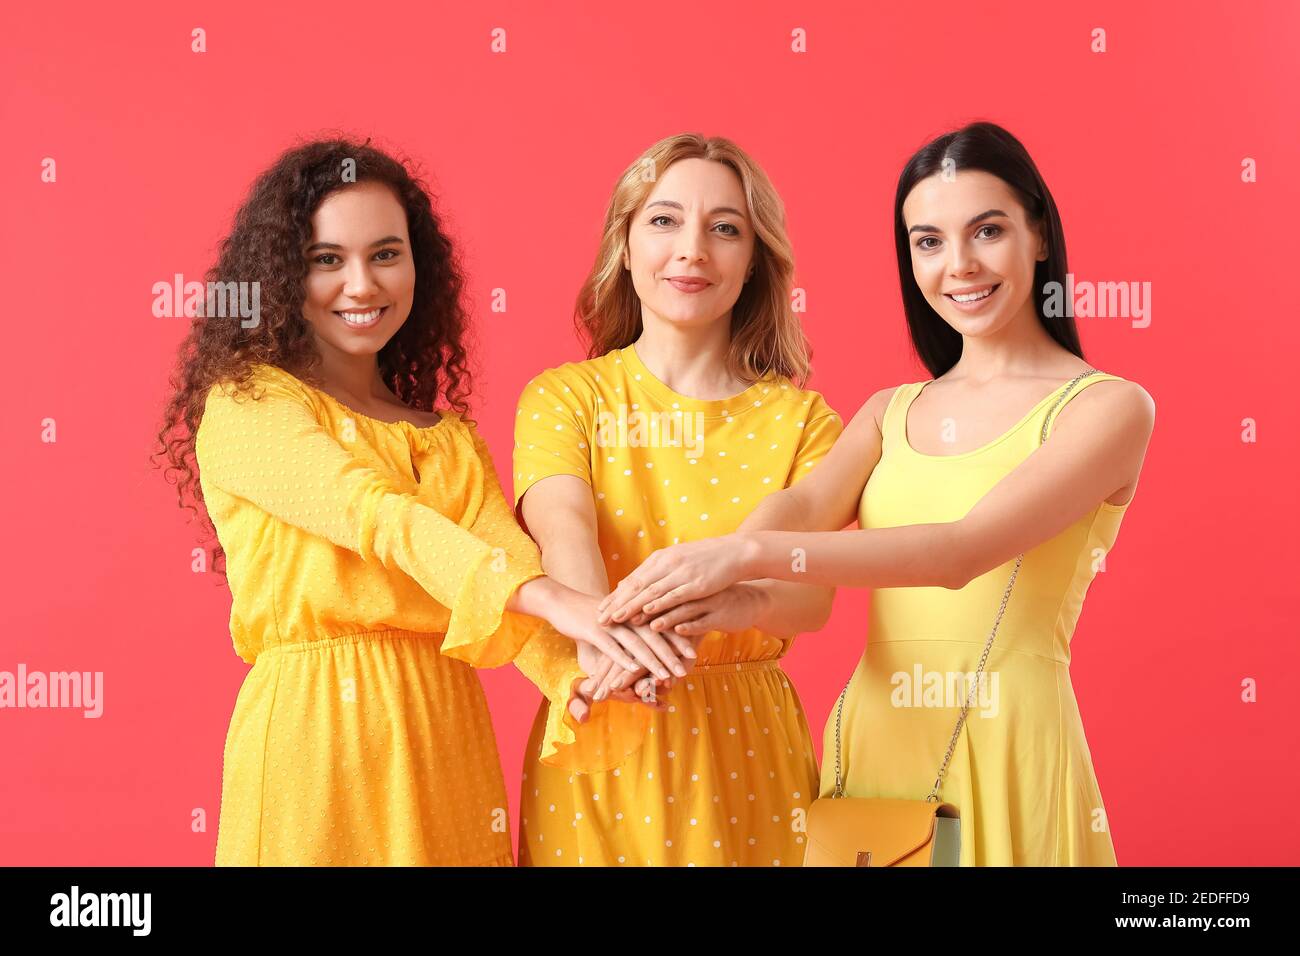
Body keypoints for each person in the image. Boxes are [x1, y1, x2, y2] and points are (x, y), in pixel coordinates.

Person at [600, 122, 1155, 866]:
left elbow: (961, 551)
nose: (958, 266)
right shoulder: (889, 411)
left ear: (1039, 235)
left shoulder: (1107, 409)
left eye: (986, 231)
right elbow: (800, 509)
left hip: (1006, 737)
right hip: (875, 736)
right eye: (928, 241)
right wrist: (701, 602)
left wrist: (744, 554)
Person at [153, 138, 678, 866]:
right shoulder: (249, 407)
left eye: (386, 254)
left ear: (417, 266)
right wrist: (559, 599)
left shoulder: (448, 438)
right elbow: (376, 515)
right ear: (280, 275)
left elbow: (507, 558)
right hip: (317, 742)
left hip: (443, 738)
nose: (362, 284)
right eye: (326, 259)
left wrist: (588, 675)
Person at [513, 133, 843, 866]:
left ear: (754, 259)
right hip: (603, 714)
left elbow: (812, 597)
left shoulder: (805, 423)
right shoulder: (565, 398)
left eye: (725, 228)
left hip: (748, 752)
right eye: (663, 221)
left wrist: (736, 604)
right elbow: (562, 529)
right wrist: (612, 646)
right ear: (625, 247)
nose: (692, 250)